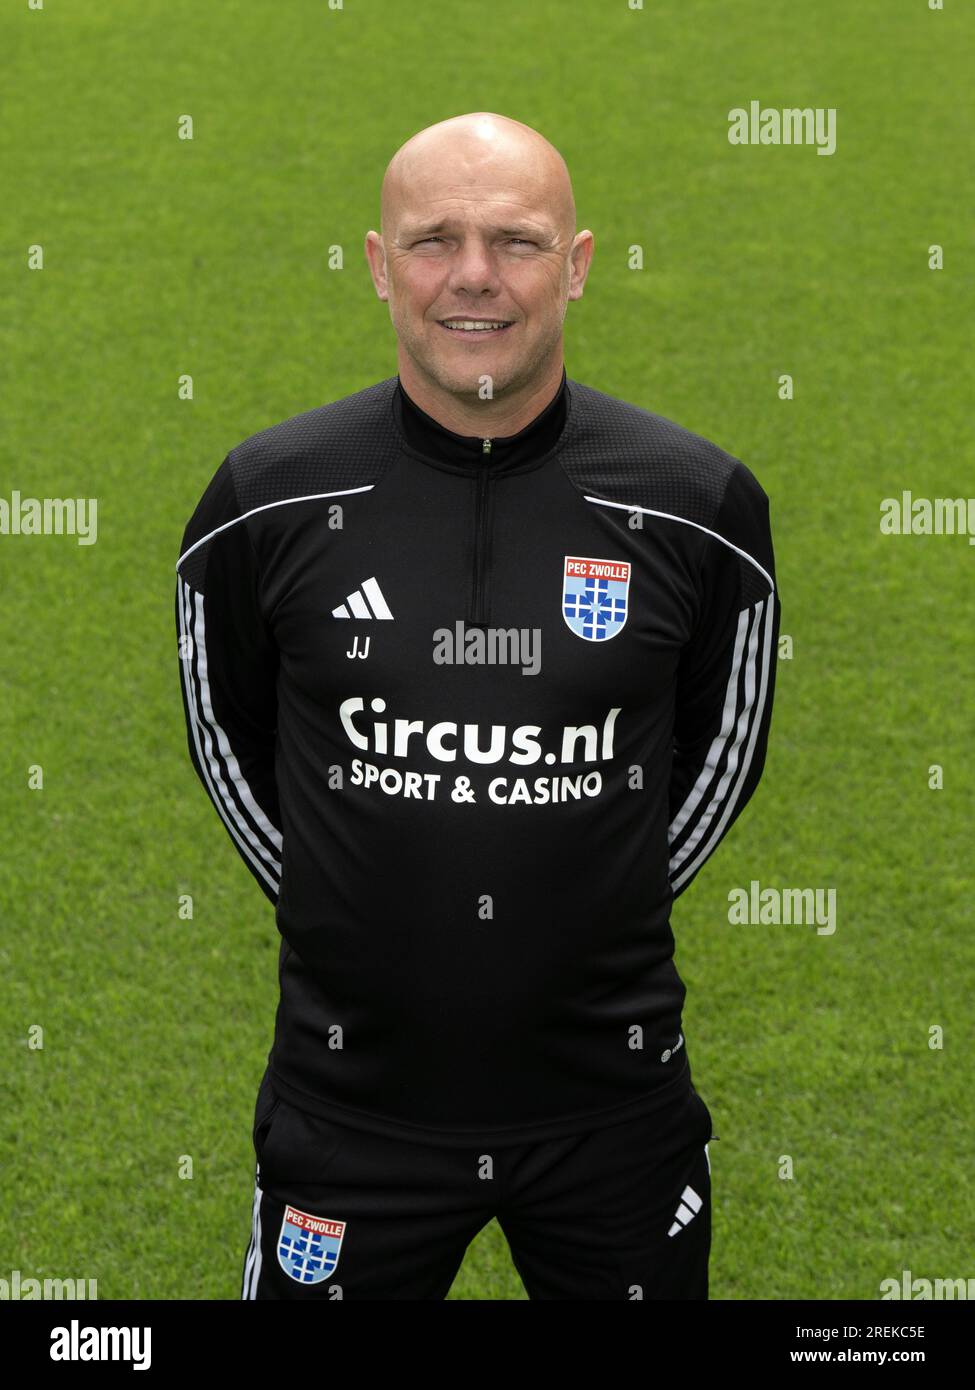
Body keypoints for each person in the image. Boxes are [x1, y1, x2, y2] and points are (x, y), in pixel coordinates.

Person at [174, 111, 780, 1300]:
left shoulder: (697, 504)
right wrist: (347, 900)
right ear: (376, 262)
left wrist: (592, 895)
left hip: (612, 1108)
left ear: (580, 263)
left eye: (515, 241)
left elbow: (718, 754)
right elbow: (228, 741)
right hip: (353, 1111)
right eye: (432, 240)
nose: (472, 277)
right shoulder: (267, 499)